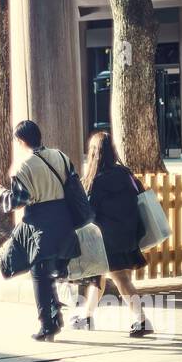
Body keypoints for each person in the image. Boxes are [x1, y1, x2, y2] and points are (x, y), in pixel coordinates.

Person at [0, 119, 81, 342]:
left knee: (39, 274)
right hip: (64, 219)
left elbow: (17, 201)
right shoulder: (61, 156)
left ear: (20, 141)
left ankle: (48, 325)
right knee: (51, 271)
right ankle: (54, 317)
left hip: (40, 223)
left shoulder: (24, 166)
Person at [70, 130, 151, 337]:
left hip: (106, 240)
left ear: (94, 153)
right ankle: (87, 317)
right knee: (98, 278)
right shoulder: (126, 174)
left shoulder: (96, 181)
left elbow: (88, 211)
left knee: (121, 279)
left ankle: (142, 320)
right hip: (129, 235)